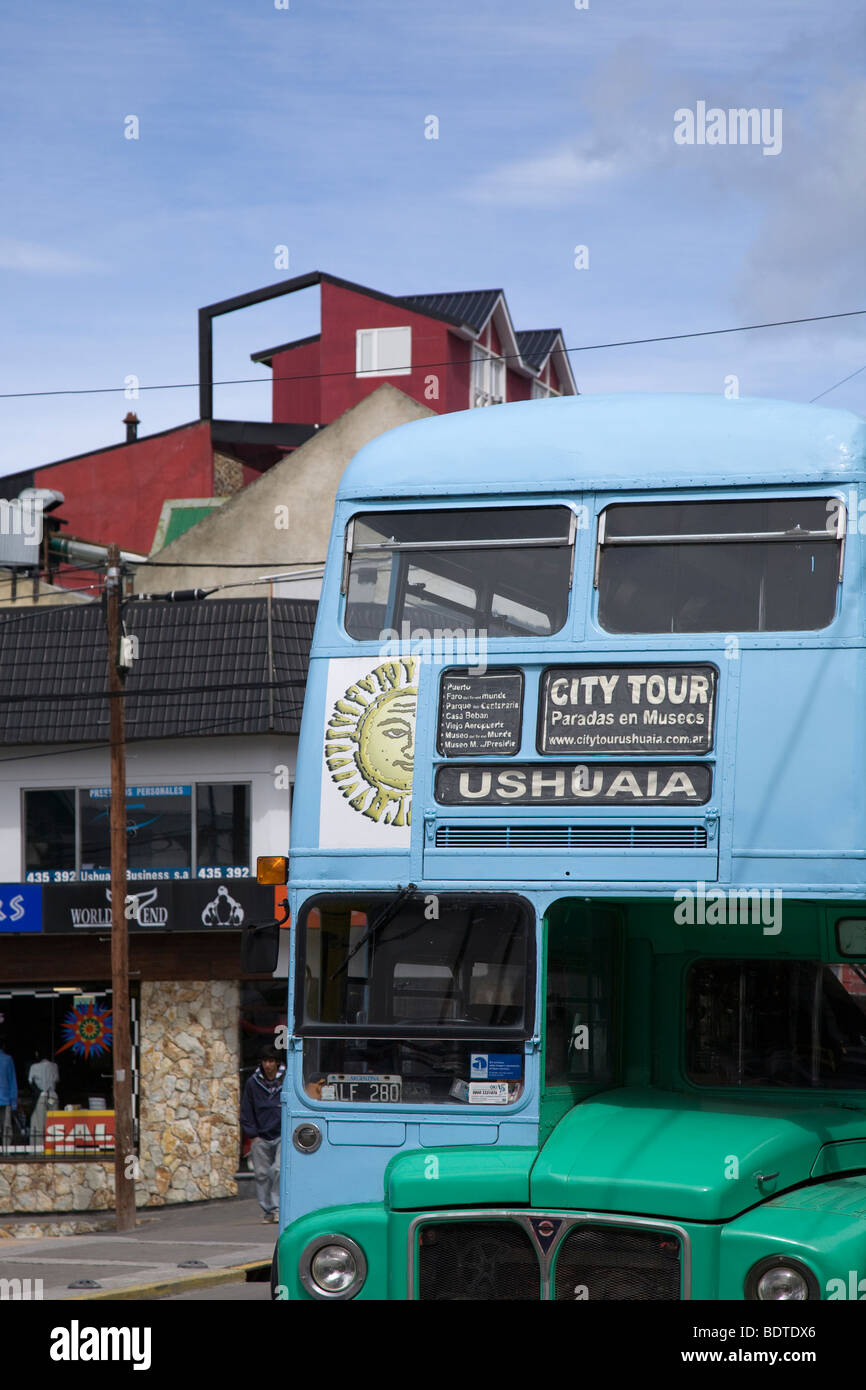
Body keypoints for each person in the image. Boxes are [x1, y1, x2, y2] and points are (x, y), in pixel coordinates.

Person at [240, 1044, 285, 1222]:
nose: (268, 1065)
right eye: (265, 1061)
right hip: (260, 1135)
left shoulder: (287, 1079)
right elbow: (246, 1109)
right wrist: (252, 1134)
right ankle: (267, 1210)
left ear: (277, 1063)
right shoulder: (253, 1082)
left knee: (278, 1170)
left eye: (271, 1061)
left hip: (282, 1134)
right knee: (261, 1174)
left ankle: (277, 1207)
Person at [28, 1049, 60, 1147]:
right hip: (53, 1097)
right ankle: (52, 1147)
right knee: (53, 1123)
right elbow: (57, 1080)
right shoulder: (54, 1066)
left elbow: (30, 1081)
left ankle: (38, 1149)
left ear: (37, 1054)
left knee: (38, 1124)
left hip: (41, 1097)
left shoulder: (34, 1067)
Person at [0, 1039, 18, 1149]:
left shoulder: (7, 1059)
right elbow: (12, 1081)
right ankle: (6, 1149)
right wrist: (14, 1102)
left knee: (6, 1126)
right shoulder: (8, 1059)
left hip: (5, 1098)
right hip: (5, 1098)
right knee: (6, 1127)